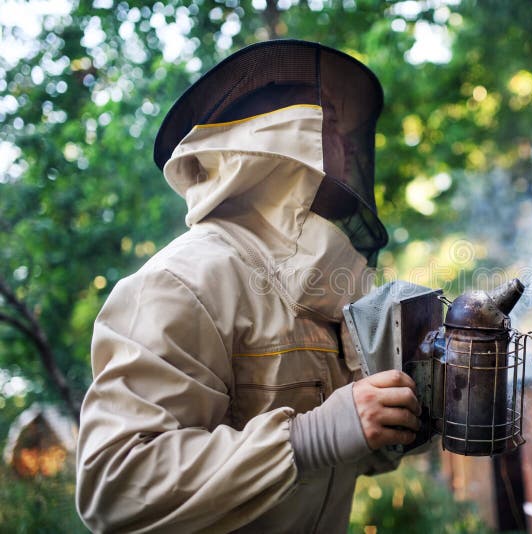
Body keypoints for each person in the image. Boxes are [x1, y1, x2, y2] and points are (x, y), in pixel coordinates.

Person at [76, 40, 421, 533]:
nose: (348, 147)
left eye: (348, 133)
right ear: (278, 140)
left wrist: (406, 417)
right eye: (330, 128)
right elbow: (115, 487)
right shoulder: (180, 283)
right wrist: (313, 436)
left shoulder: (325, 295)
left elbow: (345, 459)